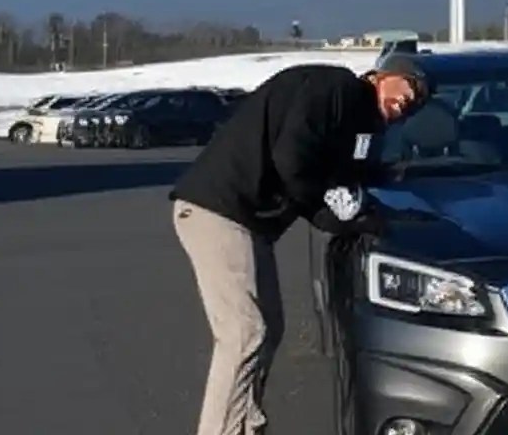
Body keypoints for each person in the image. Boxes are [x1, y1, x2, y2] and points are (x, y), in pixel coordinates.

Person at [169, 60, 426, 435]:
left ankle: (244, 424)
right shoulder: (337, 88)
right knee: (244, 332)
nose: (409, 101)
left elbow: (343, 177)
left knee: (269, 328)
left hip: (250, 224)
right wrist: (327, 215)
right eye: (409, 87)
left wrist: (368, 206)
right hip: (218, 210)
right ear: (381, 75)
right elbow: (293, 159)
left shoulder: (360, 123)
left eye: (417, 103)